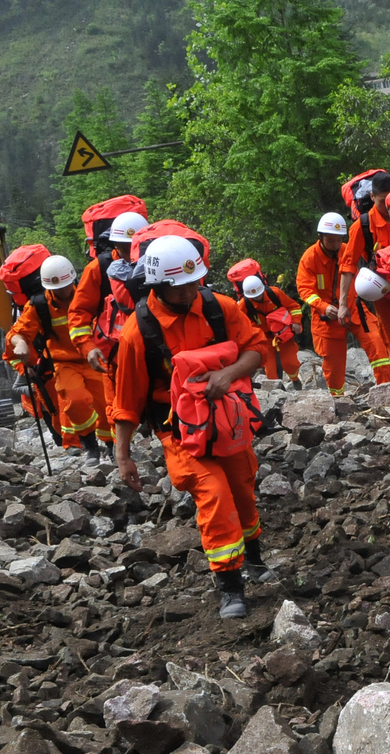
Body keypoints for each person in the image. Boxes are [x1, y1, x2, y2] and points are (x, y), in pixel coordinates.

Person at [112, 232, 272, 619]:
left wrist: (228, 374)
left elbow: (258, 348)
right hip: (178, 429)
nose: (188, 293)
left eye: (192, 284)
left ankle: (254, 558)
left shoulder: (221, 308)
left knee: (242, 489)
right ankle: (230, 586)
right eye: (179, 287)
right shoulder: (138, 332)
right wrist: (123, 455)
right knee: (214, 494)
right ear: (158, 285)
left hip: (226, 416)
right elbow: (127, 401)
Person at [4, 255, 113, 466]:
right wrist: (20, 343)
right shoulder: (39, 305)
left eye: (65, 286)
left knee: (105, 405)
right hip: (64, 363)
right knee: (75, 400)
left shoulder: (89, 295)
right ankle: (90, 447)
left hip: (94, 358)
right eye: (57, 289)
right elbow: (16, 333)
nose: (62, 292)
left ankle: (111, 444)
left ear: (73, 280)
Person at [70, 208, 150, 435]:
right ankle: (121, 456)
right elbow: (79, 312)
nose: (127, 253)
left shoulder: (158, 262)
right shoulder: (99, 268)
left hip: (154, 347)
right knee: (116, 405)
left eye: (132, 247)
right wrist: (88, 347)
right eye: (122, 247)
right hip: (115, 353)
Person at [297, 212, 390, 395]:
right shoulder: (309, 258)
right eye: (330, 240)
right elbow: (305, 289)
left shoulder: (346, 250)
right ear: (321, 237)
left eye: (338, 240)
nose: (335, 245)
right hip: (326, 317)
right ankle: (338, 399)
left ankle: (386, 390)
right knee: (333, 363)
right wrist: (324, 307)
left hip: (353, 308)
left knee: (376, 342)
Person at [338, 172, 390, 395]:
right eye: (383, 201)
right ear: (372, 197)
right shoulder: (362, 225)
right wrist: (343, 303)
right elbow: (348, 266)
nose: (389, 205)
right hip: (384, 294)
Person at [226, 259, 304, 386]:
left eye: (258, 294)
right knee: (270, 370)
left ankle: (295, 381)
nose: (257, 298)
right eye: (253, 297)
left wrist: (296, 322)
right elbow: (237, 323)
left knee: (290, 363)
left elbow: (293, 307)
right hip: (264, 338)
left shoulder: (274, 293)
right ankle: (277, 391)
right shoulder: (244, 304)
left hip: (283, 334)